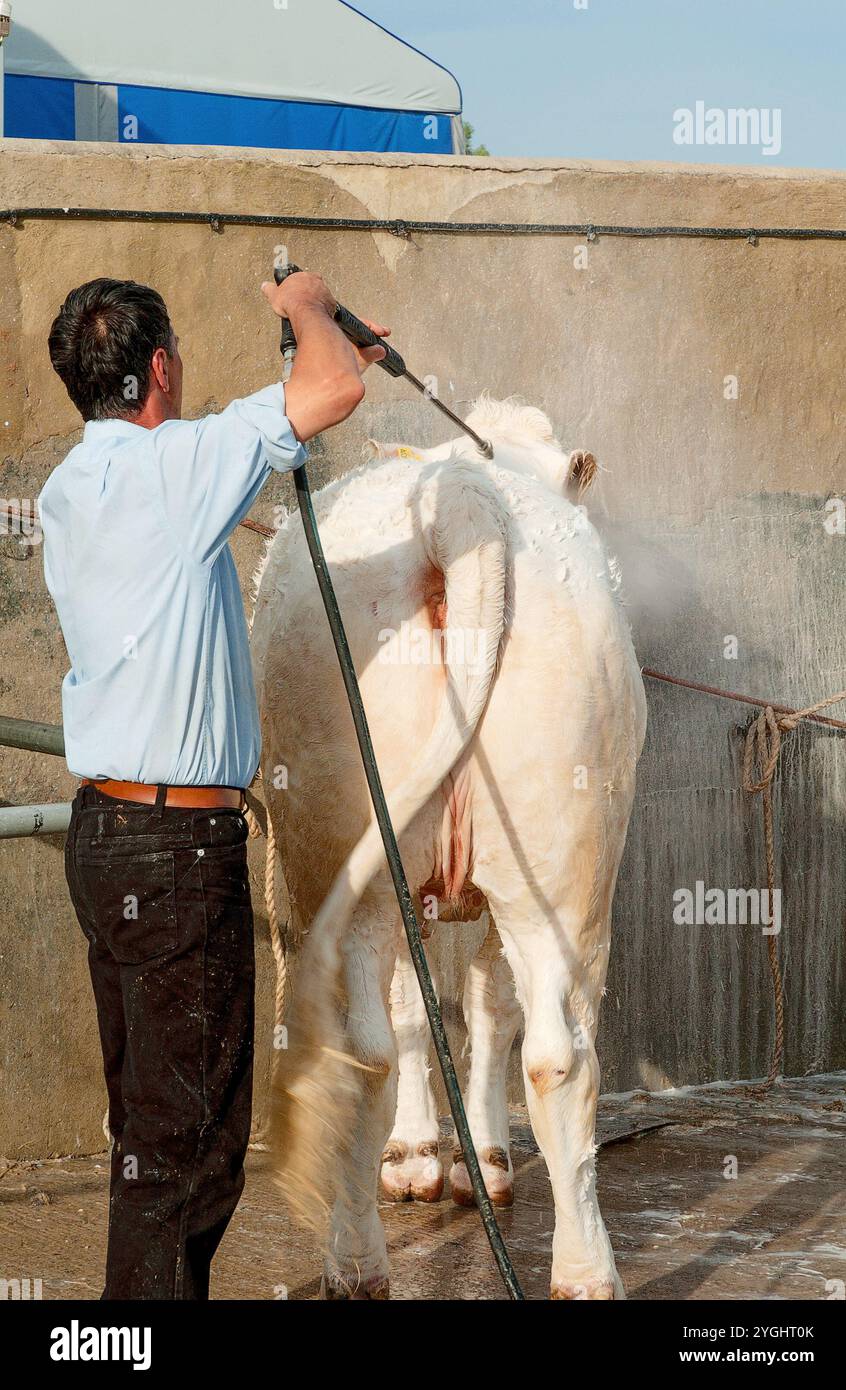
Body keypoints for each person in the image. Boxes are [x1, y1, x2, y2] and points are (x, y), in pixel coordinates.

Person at [38, 272, 388, 1300]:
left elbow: (300, 403)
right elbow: (330, 398)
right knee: (189, 1147)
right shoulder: (175, 470)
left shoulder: (69, 489)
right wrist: (311, 307)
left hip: (105, 838)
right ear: (158, 369)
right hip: (177, 853)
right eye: (177, 354)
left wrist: (321, 353)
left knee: (150, 1133)